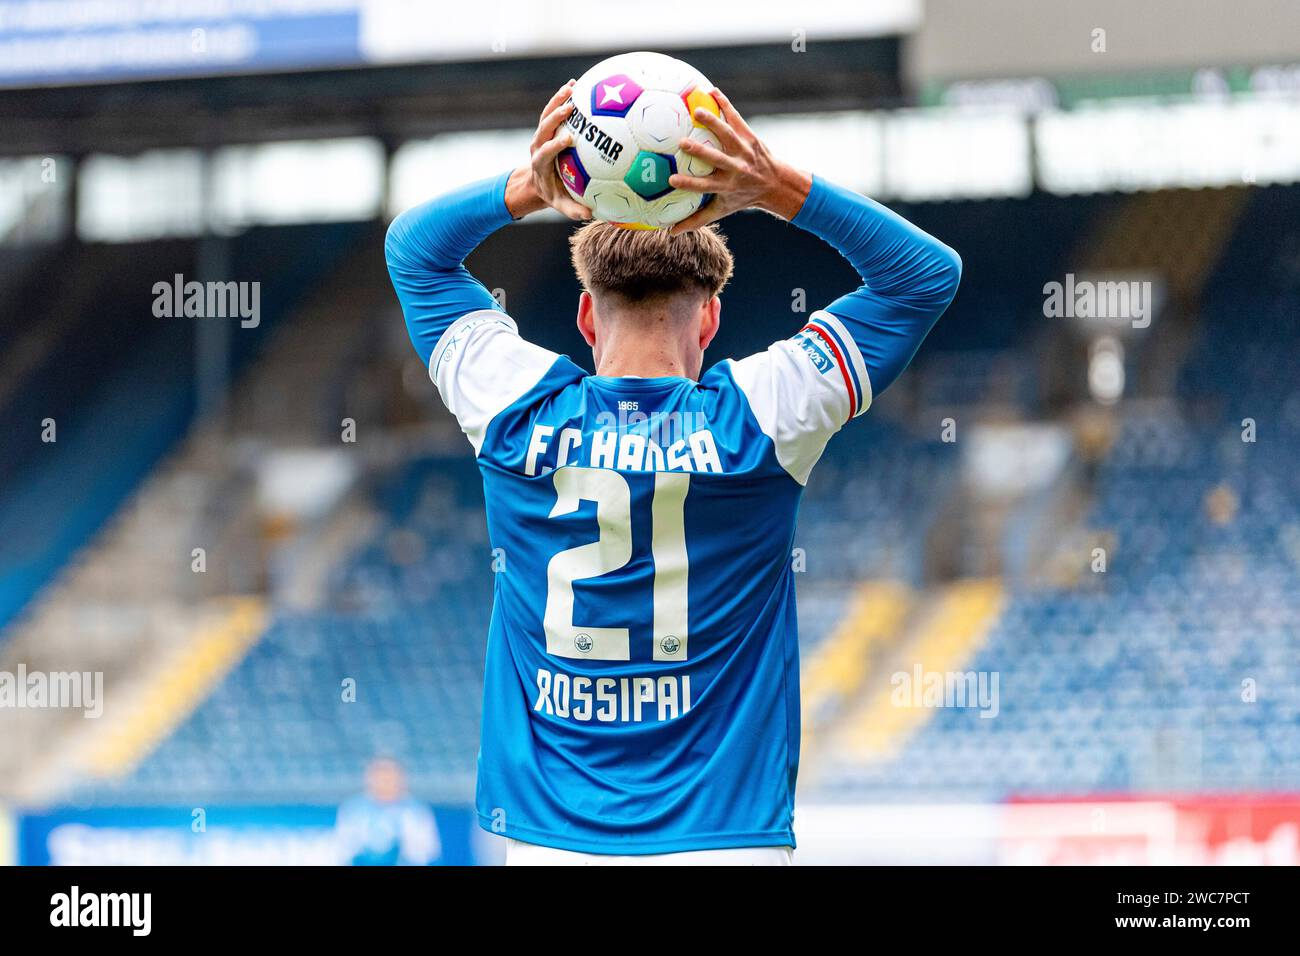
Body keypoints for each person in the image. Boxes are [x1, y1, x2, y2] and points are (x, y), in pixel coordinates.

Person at [385, 80, 961, 865]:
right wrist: (772, 187)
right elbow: (925, 277)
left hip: (552, 841)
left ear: (587, 317)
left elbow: (413, 252)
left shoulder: (514, 407)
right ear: (712, 318)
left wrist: (533, 187)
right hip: (725, 840)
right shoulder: (761, 415)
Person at [335, 757, 440, 865]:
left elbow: (427, 853)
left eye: (390, 777)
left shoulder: (416, 811)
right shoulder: (353, 809)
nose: (385, 782)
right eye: (380, 776)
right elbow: (344, 850)